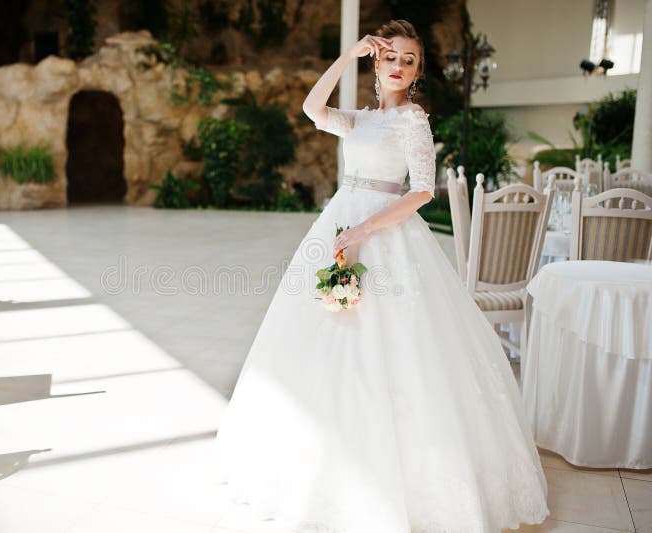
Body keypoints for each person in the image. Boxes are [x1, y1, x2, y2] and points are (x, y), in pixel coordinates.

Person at [212, 19, 550, 533]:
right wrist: (348, 55)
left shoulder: (413, 120)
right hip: (342, 222)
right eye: (391, 57)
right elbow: (311, 108)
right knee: (328, 333)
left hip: (385, 233)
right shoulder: (362, 120)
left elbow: (421, 191)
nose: (398, 66)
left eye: (409, 60)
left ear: (416, 72)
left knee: (399, 346)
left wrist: (366, 229)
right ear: (378, 61)